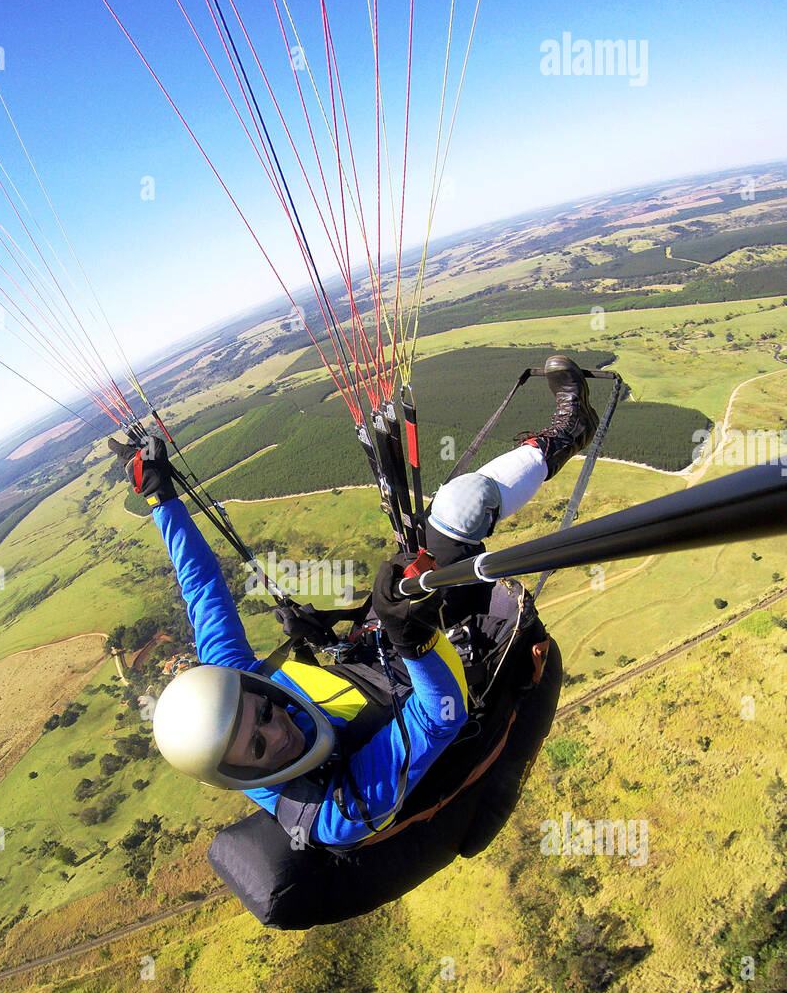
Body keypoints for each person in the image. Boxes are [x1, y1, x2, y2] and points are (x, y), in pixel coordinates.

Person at [109, 354, 597, 850]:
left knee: (459, 503)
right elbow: (440, 717)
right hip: (438, 677)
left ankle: (567, 432)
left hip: (380, 648)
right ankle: (573, 429)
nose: (276, 731)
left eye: (262, 712)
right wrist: (415, 640)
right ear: (237, 774)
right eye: (257, 747)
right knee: (461, 509)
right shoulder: (340, 809)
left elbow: (202, 589)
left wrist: (160, 498)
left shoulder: (232, 685)